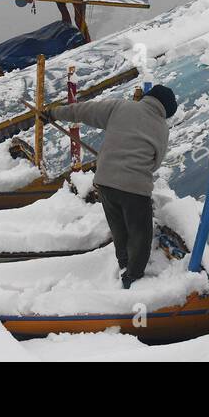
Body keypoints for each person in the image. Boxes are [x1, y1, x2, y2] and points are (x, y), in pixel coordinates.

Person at [48, 84, 178, 288]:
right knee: (140, 234)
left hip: (106, 181)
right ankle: (133, 278)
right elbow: (156, 162)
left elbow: (83, 111)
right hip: (135, 187)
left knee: (118, 227)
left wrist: (54, 113)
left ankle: (124, 263)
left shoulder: (121, 106)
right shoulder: (162, 128)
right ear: (165, 111)